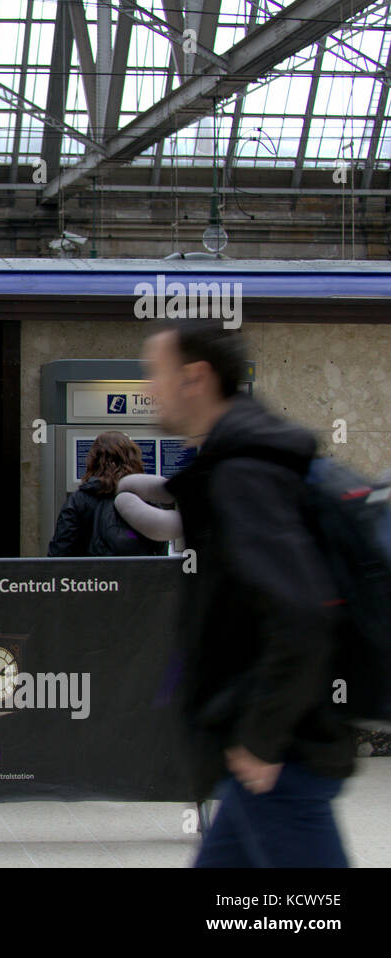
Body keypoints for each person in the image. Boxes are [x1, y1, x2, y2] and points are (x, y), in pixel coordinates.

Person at [144, 318, 355, 868]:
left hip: (278, 763)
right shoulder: (240, 462)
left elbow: (303, 614)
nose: (148, 389)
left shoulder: (243, 474)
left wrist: (262, 738)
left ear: (195, 377)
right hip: (257, 759)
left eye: (155, 374)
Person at [47, 431, 170, 556]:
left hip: (92, 574)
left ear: (94, 460)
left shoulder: (79, 499)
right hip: (138, 574)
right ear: (133, 460)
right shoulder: (145, 497)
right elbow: (161, 544)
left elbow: (60, 549)